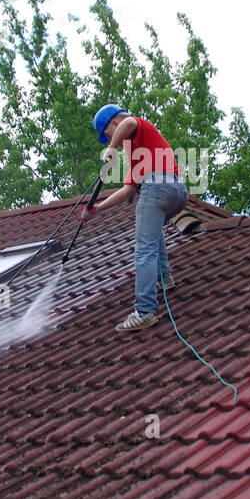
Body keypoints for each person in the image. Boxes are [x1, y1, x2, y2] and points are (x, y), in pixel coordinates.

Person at [81, 104, 188, 331]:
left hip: (158, 187)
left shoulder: (136, 126)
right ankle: (164, 277)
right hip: (178, 192)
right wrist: (97, 209)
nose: (112, 139)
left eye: (107, 134)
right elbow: (126, 191)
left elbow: (128, 122)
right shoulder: (136, 152)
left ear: (113, 124)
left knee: (144, 248)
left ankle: (145, 310)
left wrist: (111, 149)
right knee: (153, 232)